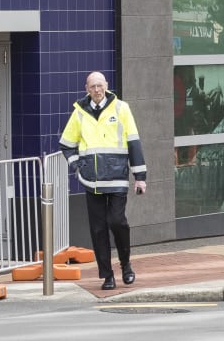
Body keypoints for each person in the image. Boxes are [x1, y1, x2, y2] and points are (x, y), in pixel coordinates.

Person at [59, 71, 147, 290]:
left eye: (99, 86)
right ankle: (107, 276)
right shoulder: (79, 112)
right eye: (92, 87)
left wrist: (140, 177)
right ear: (86, 89)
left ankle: (126, 265)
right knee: (98, 230)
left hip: (117, 178)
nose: (96, 90)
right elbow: (67, 143)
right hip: (92, 181)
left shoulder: (121, 108)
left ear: (106, 86)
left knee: (117, 222)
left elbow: (134, 142)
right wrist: (77, 166)